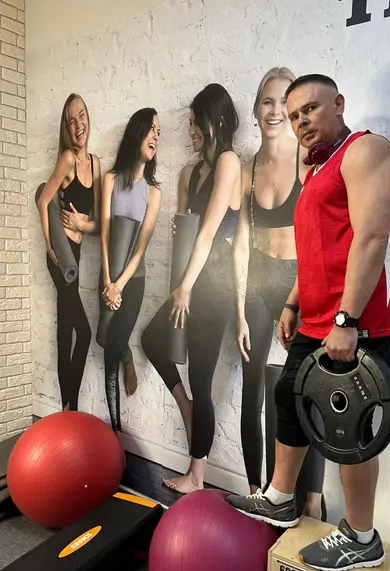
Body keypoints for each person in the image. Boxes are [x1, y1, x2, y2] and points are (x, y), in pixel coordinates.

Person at [228, 73, 390, 571]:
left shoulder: (366, 151)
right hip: (319, 319)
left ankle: (361, 537)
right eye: (294, 116)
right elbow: (315, 252)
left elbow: (372, 238)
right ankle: (280, 497)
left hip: (361, 321)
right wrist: (292, 303)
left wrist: (347, 320)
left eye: (310, 108)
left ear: (339, 104)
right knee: (289, 395)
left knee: (348, 426)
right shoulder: (318, 173)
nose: (301, 121)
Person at [233, 67, 326, 520]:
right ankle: (257, 490)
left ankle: (310, 500)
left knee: (306, 388)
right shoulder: (246, 169)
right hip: (257, 281)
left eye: (281, 103)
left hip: (298, 280)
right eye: (266, 102)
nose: (273, 111)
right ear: (256, 110)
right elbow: (241, 241)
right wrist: (238, 308)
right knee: (252, 386)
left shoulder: (307, 160)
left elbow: (318, 235)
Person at [141, 83, 241, 494]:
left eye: (195, 122)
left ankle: (196, 476)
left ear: (215, 121)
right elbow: (186, 229)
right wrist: (180, 276)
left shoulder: (230, 163)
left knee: (201, 379)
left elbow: (209, 232)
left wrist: (184, 287)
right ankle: (185, 405)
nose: (191, 130)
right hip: (190, 278)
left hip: (213, 286)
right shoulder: (190, 172)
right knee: (151, 339)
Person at [37, 93, 100, 411]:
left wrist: (81, 223)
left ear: (88, 117)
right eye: (71, 121)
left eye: (82, 116)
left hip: (77, 254)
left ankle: (66, 409)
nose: (78, 125)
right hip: (61, 258)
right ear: (66, 127)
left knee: (66, 330)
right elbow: (43, 199)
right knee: (83, 333)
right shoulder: (67, 159)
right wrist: (50, 246)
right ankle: (71, 407)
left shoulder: (95, 164)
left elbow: (100, 223)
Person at [101, 108, 162, 432]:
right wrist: (107, 279)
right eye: (151, 129)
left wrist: (119, 285)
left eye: (159, 132)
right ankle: (127, 359)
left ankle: (116, 433)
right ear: (136, 131)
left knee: (113, 343)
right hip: (107, 276)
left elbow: (141, 247)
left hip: (133, 282)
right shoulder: (110, 179)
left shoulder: (154, 192)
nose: (156, 137)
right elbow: (105, 234)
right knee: (104, 341)